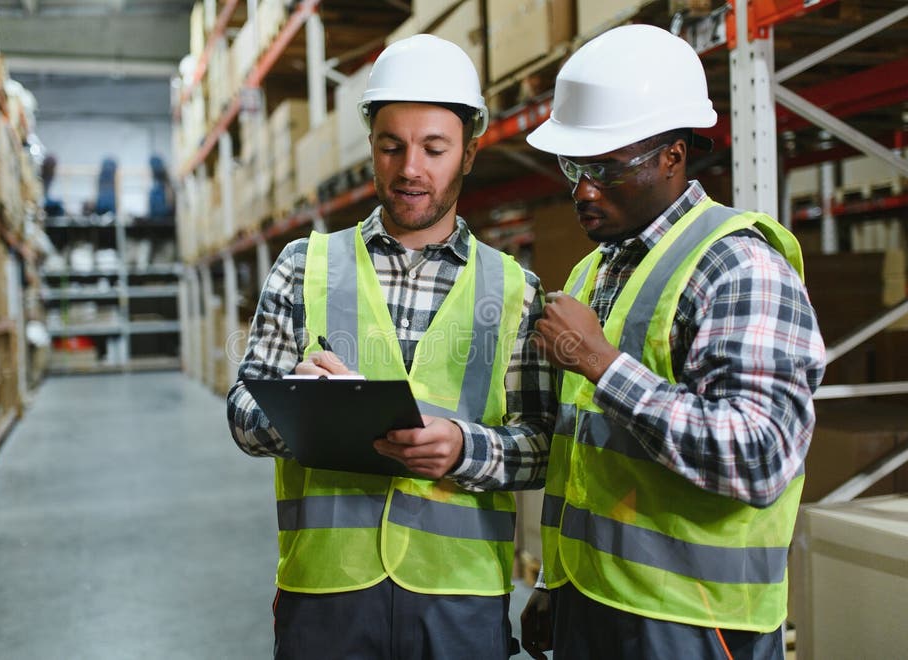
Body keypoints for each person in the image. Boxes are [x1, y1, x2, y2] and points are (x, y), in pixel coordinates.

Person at [227, 34, 555, 659]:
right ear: (372, 148)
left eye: (434, 149)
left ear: (468, 153)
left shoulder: (515, 289)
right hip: (326, 591)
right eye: (391, 146)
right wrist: (299, 403)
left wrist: (464, 447)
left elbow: (542, 446)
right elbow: (243, 415)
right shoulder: (304, 266)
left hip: (459, 600)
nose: (410, 169)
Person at [519, 24, 826, 659]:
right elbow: (579, 459)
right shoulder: (593, 271)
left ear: (672, 155)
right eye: (574, 166)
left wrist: (602, 365)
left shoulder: (739, 267)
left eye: (606, 166)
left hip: (694, 622)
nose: (582, 189)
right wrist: (556, 583)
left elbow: (760, 455)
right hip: (594, 603)